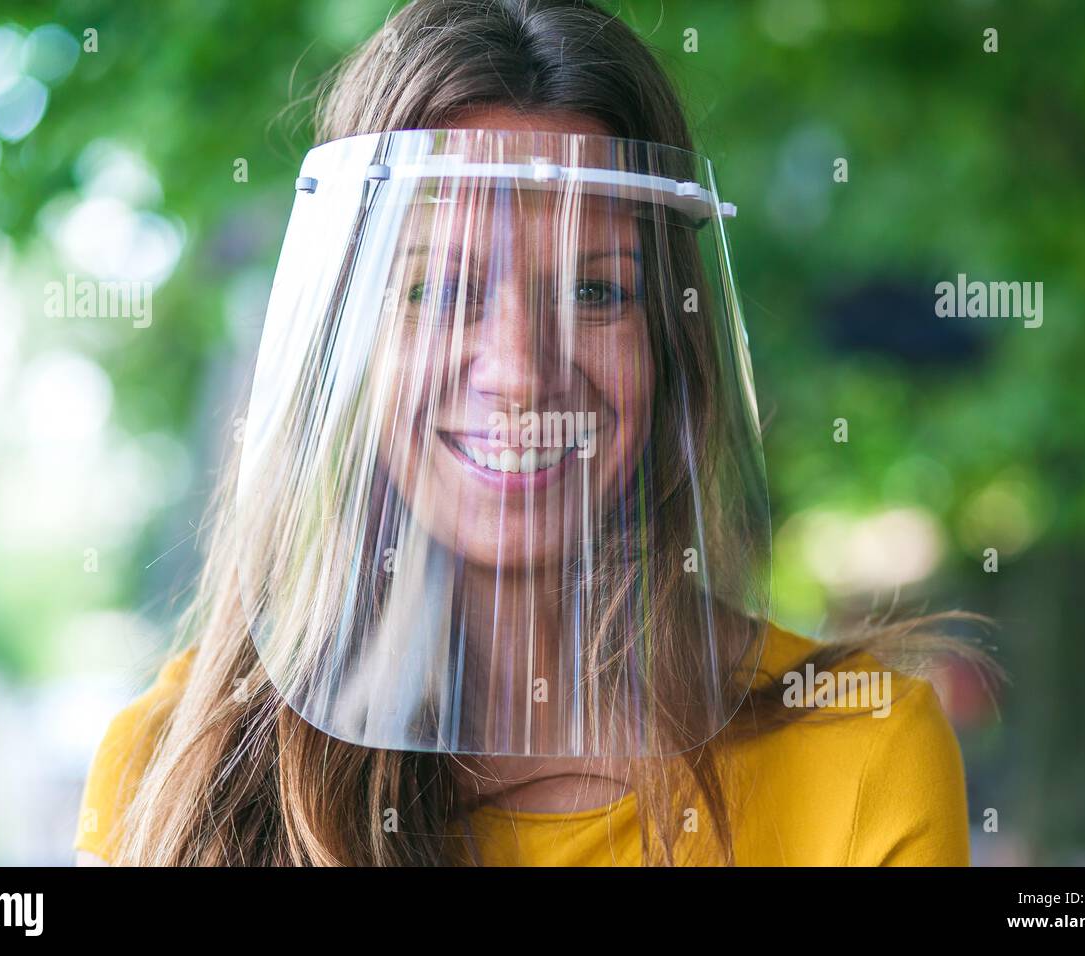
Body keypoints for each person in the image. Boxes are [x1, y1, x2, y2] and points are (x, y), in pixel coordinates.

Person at [75, 0, 984, 867]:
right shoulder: (176, 769)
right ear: (346, 347)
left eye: (595, 290)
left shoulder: (858, 755)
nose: (519, 370)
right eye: (435, 289)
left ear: (673, 340)